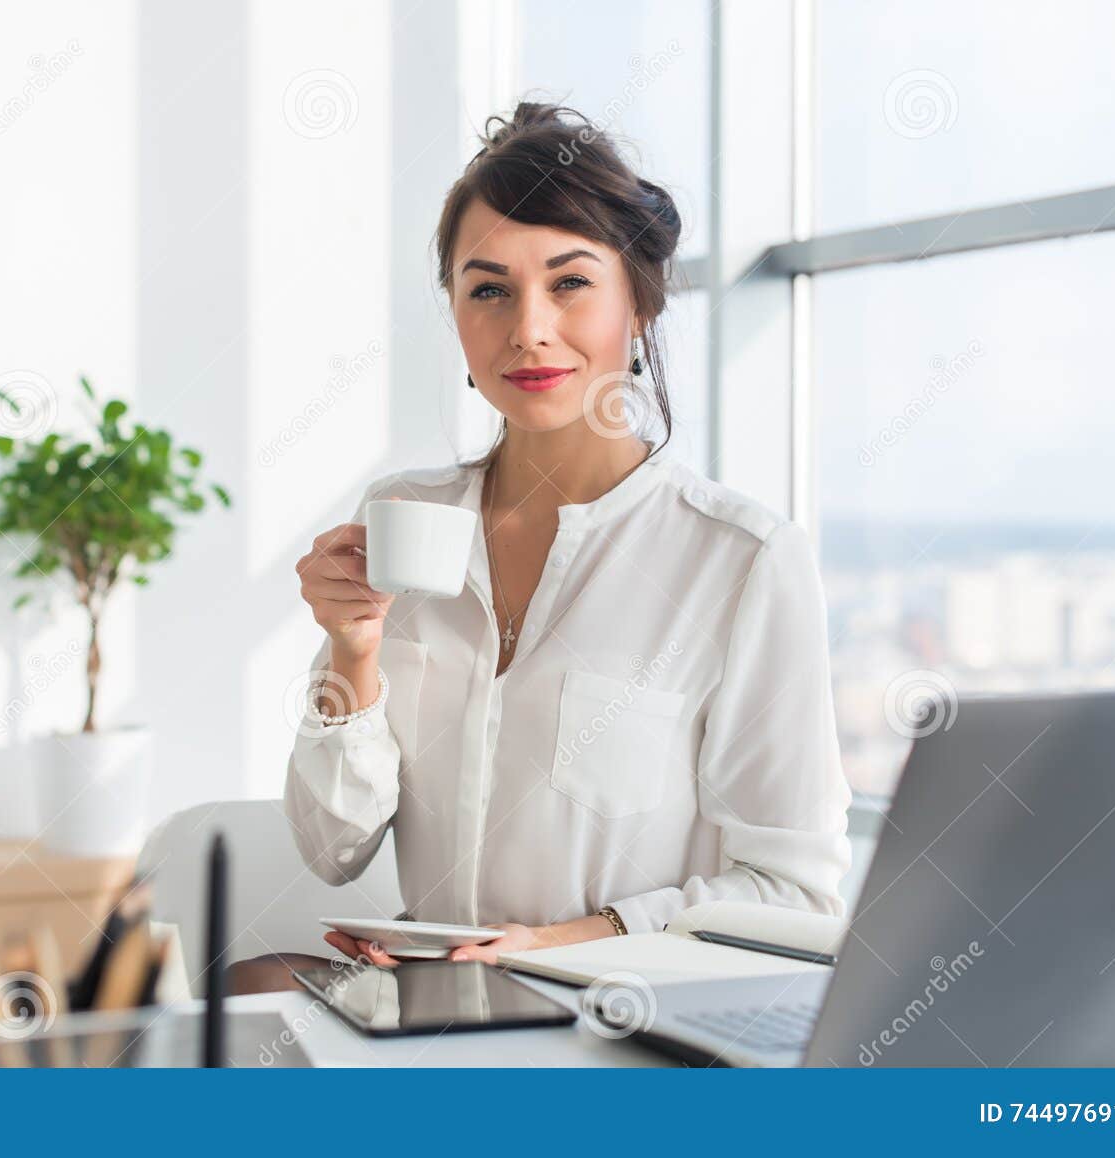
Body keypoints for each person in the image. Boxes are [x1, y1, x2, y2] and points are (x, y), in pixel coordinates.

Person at [227, 101, 851, 997]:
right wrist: (351, 650)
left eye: (569, 283)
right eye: (489, 289)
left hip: (619, 1015)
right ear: (455, 316)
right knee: (238, 1001)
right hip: (436, 1004)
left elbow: (794, 897)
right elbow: (334, 848)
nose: (528, 328)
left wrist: (570, 940)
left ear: (637, 302)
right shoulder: (404, 514)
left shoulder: (742, 561)